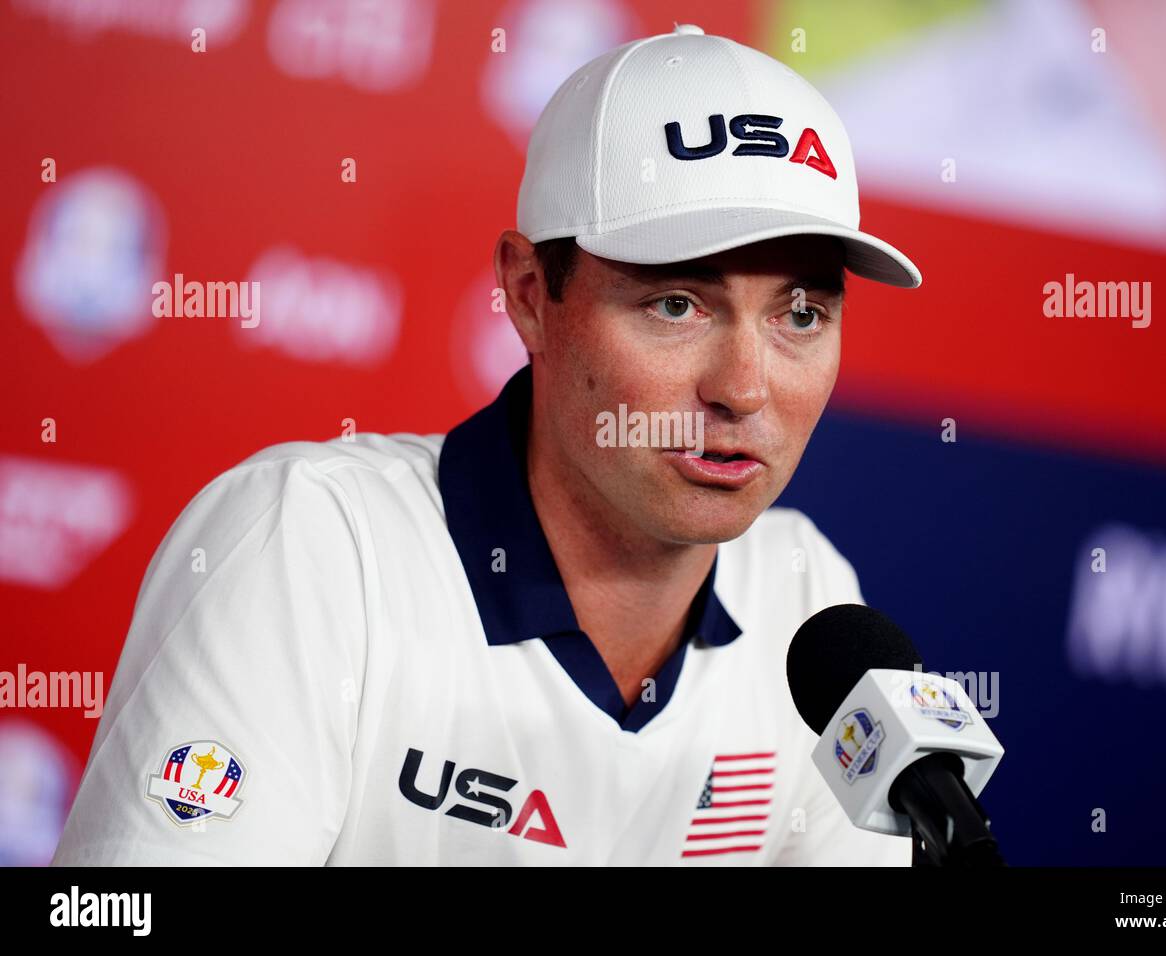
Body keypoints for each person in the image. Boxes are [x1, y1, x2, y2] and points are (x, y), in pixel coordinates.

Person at [52, 22, 920, 865]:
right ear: (531, 292)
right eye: (677, 304)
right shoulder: (312, 547)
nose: (744, 388)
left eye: (801, 314)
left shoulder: (808, 597)